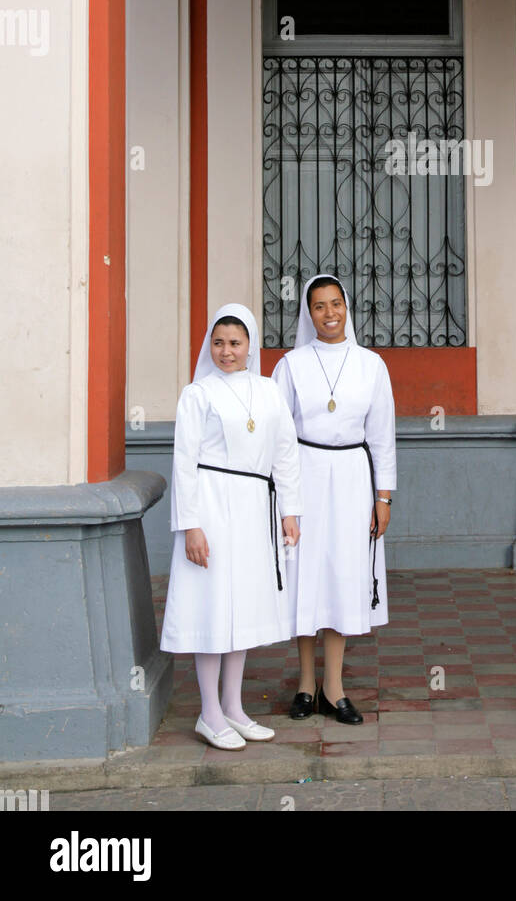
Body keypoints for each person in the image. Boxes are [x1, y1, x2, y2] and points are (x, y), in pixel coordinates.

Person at [160, 303, 302, 750]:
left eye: (235, 343)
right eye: (218, 343)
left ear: (250, 346)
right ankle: (208, 712)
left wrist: (290, 511)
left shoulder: (268, 391)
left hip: (254, 508)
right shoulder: (197, 394)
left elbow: (286, 453)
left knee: (241, 608)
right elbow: (184, 464)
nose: (226, 352)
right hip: (212, 507)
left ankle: (234, 708)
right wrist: (191, 526)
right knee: (212, 606)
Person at [272, 274, 396, 725]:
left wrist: (383, 498)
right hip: (304, 476)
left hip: (352, 480)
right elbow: (279, 438)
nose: (329, 314)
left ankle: (335, 687)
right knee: (306, 576)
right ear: (309, 313)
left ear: (347, 307)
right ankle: (305, 684)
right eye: (320, 306)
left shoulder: (370, 365)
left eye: (336, 304)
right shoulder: (290, 365)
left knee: (343, 575)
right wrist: (285, 500)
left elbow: (382, 437)